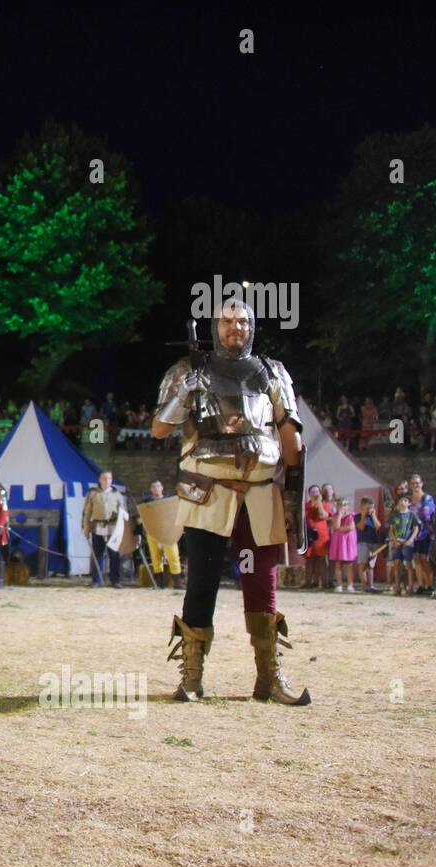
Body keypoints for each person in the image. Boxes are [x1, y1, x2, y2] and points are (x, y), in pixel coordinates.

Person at [151, 298, 311, 706]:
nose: (235, 327)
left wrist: (292, 500)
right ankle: (192, 678)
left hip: (260, 494)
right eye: (227, 321)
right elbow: (158, 428)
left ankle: (269, 679)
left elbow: (291, 439)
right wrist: (186, 391)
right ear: (214, 326)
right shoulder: (189, 372)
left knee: (263, 585)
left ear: (253, 327)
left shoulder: (273, 372)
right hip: (208, 492)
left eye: (242, 321)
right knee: (201, 583)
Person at [82, 470, 125, 588]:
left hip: (113, 527)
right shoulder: (93, 494)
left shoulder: (117, 494)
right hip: (98, 527)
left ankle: (115, 580)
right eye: (105, 478)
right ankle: (97, 580)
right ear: (100, 480)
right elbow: (87, 513)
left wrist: (122, 529)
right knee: (98, 554)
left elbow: (122, 512)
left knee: (114, 554)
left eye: (109, 478)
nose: (107, 481)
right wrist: (86, 528)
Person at [141, 479, 183, 589]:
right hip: (152, 532)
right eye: (154, 487)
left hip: (167, 532)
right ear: (151, 489)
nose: (156, 489)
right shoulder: (146, 503)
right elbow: (145, 518)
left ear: (162, 488)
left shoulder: (169, 501)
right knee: (155, 557)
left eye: (158, 486)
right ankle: (159, 583)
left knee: (173, 556)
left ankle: (177, 582)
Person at [407, 474, 436, 595]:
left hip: (426, 533)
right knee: (417, 559)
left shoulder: (427, 498)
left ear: (422, 483)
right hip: (412, 534)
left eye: (417, 483)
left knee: (425, 559)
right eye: (413, 483)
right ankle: (421, 585)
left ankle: (430, 586)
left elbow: (430, 515)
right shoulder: (408, 499)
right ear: (410, 485)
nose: (416, 485)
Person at [387, 494, 419, 596]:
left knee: (409, 565)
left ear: (409, 503)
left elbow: (416, 528)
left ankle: (410, 587)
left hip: (407, 543)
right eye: (401, 500)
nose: (402, 502)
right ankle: (398, 587)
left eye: (405, 500)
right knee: (396, 564)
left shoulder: (412, 514)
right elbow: (391, 530)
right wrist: (394, 540)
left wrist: (410, 540)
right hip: (397, 543)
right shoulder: (394, 515)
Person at [303, 485, 330, 588]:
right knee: (309, 559)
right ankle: (308, 583)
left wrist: (319, 503)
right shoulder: (306, 505)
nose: (315, 493)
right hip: (309, 534)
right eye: (313, 491)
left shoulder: (325, 504)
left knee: (322, 559)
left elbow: (323, 515)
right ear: (309, 494)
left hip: (321, 535)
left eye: (317, 491)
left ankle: (324, 583)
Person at [329, 497, 357, 592]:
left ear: (348, 506)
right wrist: (340, 516)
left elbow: (351, 527)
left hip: (349, 541)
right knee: (338, 563)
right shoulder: (335, 516)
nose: (342, 507)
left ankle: (350, 585)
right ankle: (339, 585)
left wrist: (341, 528)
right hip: (339, 542)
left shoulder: (352, 515)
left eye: (344, 505)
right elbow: (336, 526)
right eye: (340, 505)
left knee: (350, 564)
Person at [355, 497, 382, 593]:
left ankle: (371, 585)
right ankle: (364, 585)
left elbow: (378, 526)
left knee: (371, 565)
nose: (369, 510)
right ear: (362, 507)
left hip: (374, 542)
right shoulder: (357, 516)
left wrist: (374, 516)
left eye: (371, 508)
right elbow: (361, 527)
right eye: (367, 508)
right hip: (363, 543)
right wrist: (363, 516)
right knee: (362, 564)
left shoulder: (372, 516)